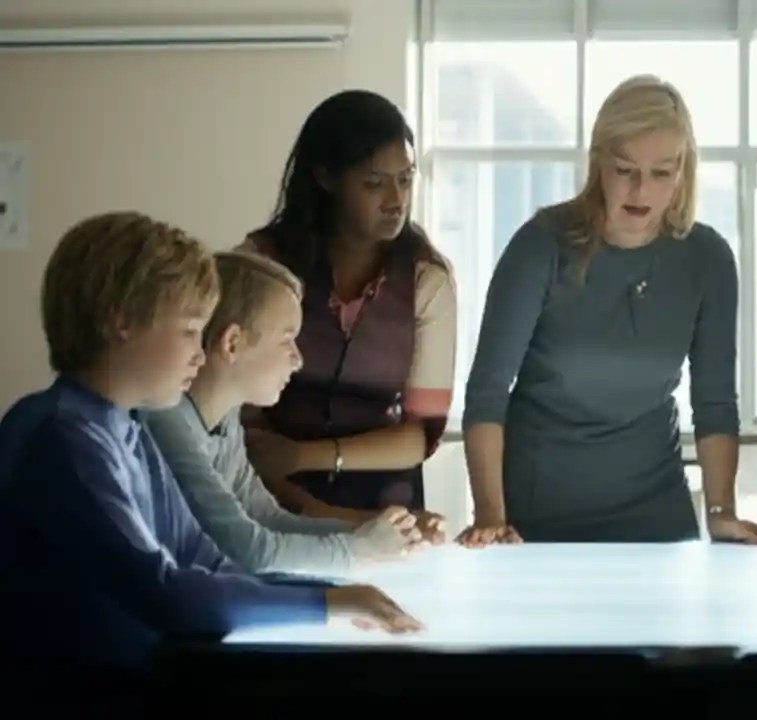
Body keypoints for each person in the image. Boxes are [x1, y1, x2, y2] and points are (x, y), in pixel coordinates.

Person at [0, 212, 421, 682]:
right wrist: (328, 602)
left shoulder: (126, 427)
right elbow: (166, 593)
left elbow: (207, 559)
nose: (200, 354)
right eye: (188, 331)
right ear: (122, 322)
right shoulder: (65, 439)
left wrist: (336, 595)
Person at [457, 74, 757, 544]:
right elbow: (487, 393)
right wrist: (489, 516)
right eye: (626, 169)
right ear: (598, 163)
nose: (641, 191)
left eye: (662, 172)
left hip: (656, 516)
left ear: (684, 172)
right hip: (536, 520)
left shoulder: (707, 259)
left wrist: (722, 511)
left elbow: (715, 404)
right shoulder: (541, 245)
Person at [143, 250, 441, 577]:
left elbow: (267, 517)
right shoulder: (166, 420)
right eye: (287, 340)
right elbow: (248, 549)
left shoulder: (225, 418)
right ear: (232, 344)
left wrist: (375, 536)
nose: (298, 360)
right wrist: (360, 550)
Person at [237, 89, 456, 532]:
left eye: (406, 179)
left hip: (387, 506)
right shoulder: (263, 265)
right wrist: (310, 508)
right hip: (268, 497)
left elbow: (420, 434)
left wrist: (304, 458)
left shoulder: (426, 278)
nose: (396, 199)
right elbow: (242, 428)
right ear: (325, 177)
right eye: (374, 183)